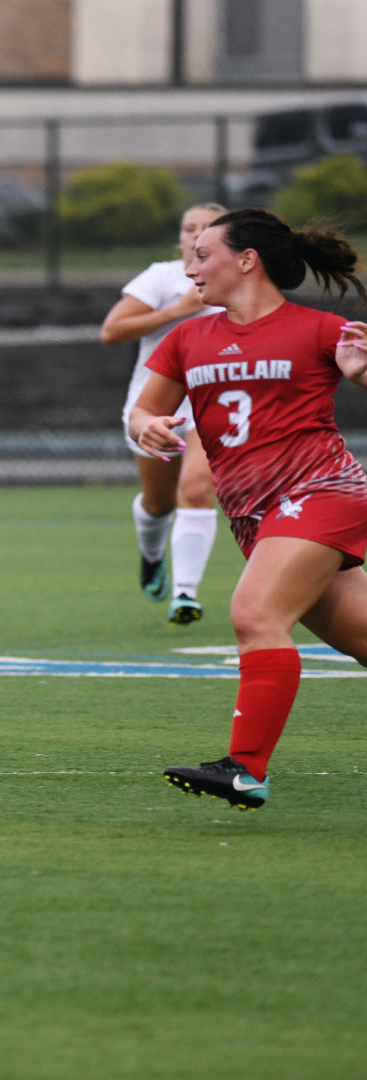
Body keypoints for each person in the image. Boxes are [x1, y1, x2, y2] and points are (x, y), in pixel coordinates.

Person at [129, 207, 367, 811]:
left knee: (255, 614)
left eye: (202, 255)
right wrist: (147, 425)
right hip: (254, 516)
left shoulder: (322, 329)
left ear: (247, 260)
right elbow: (143, 410)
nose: (190, 268)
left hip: (321, 492)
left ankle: (244, 769)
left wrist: (364, 375)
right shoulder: (187, 338)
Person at [102, 203, 228, 625]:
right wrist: (179, 309)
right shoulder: (162, 277)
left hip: (212, 404)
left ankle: (185, 594)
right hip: (156, 404)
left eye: (207, 227)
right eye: (189, 228)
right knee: (158, 502)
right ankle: (152, 556)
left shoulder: (240, 282)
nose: (196, 235)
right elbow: (111, 331)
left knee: (196, 489)